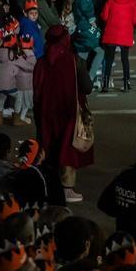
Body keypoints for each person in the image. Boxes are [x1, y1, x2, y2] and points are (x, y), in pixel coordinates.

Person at [33, 25, 93, 203]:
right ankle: (67, 188)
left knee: (48, 145)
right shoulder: (74, 60)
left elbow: (36, 90)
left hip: (45, 112)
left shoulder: (41, 62)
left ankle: (48, 183)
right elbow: (87, 87)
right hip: (69, 110)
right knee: (68, 148)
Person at [100, 0, 136, 91]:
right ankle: (127, 83)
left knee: (109, 59)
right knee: (125, 59)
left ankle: (105, 84)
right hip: (125, 32)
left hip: (111, 32)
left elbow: (105, 16)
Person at [71, 0, 105, 79]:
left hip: (81, 29)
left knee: (83, 56)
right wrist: (98, 29)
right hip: (85, 29)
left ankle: (80, 79)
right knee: (100, 51)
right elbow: (91, 19)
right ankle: (89, 78)